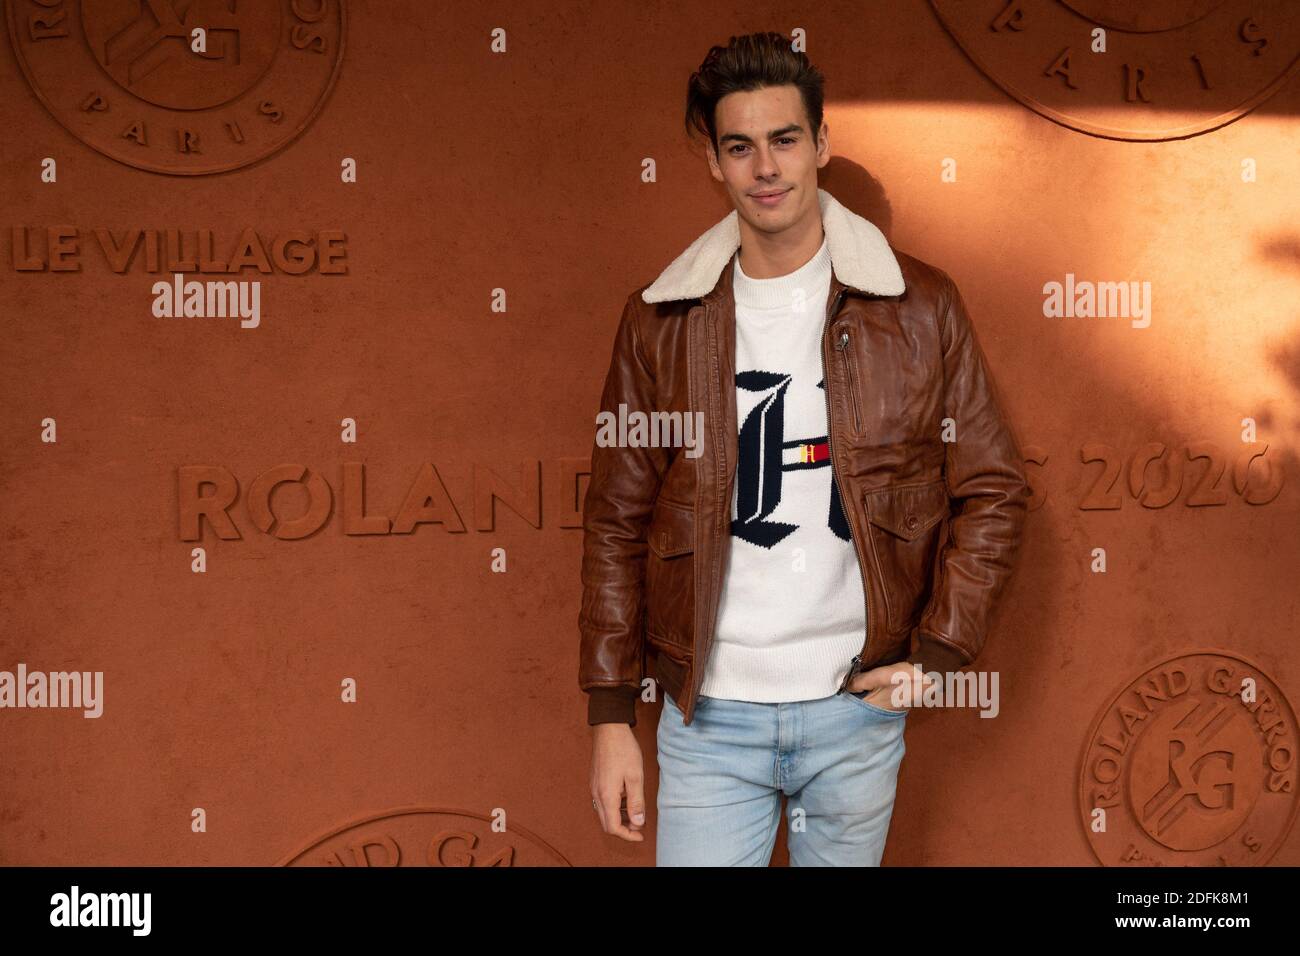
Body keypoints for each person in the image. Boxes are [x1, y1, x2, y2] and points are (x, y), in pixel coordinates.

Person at [578, 32, 1029, 865]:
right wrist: (611, 717)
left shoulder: (919, 306)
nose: (766, 169)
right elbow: (615, 520)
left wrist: (935, 656)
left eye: (785, 140)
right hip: (706, 719)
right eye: (739, 146)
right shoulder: (661, 317)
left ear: (821, 144)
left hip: (853, 715)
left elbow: (994, 489)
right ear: (712, 160)